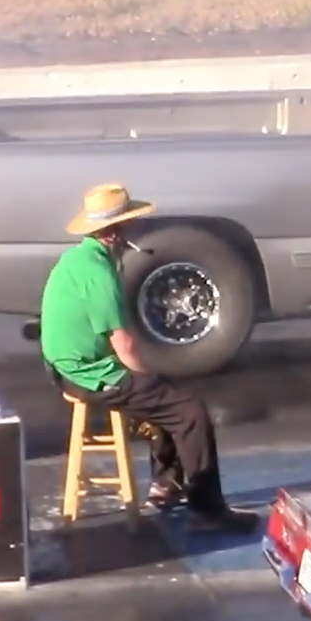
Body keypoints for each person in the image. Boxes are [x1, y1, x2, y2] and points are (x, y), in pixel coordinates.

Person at [39, 183, 256, 533]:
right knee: (190, 414)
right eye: (130, 224)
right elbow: (124, 346)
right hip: (89, 374)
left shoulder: (76, 259)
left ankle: (166, 485)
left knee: (166, 396)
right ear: (115, 233)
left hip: (67, 368)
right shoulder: (100, 274)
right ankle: (206, 510)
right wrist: (149, 376)